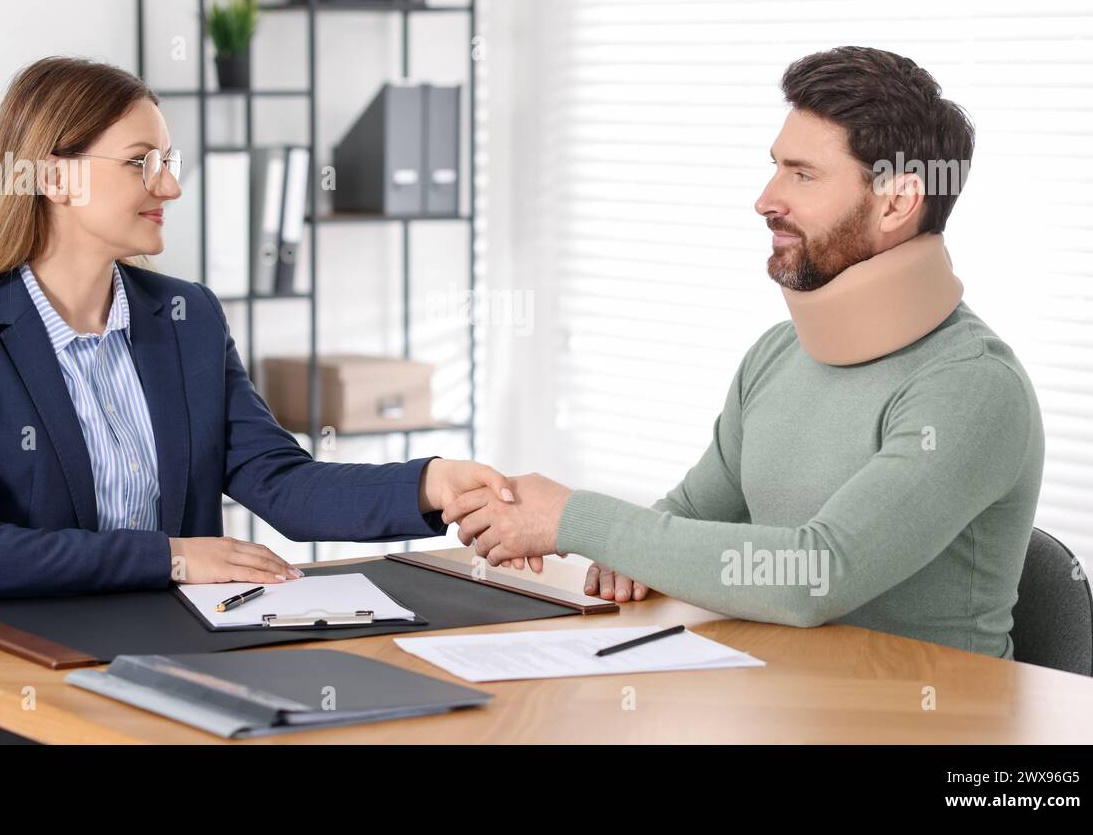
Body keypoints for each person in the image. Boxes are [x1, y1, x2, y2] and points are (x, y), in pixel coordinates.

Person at [446, 46, 1045, 660]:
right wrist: (629, 558)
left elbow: (818, 575)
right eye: (775, 168)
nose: (765, 199)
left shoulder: (972, 387)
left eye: (802, 174)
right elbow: (690, 512)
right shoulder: (780, 354)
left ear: (896, 201)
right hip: (779, 702)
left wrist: (574, 519)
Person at [0, 56, 514, 601]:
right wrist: (173, 558)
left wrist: (434, 482)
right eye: (141, 163)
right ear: (56, 177)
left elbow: (283, 485)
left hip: (179, 645)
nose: (169, 185)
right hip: (30, 667)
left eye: (167, 161)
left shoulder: (185, 317)